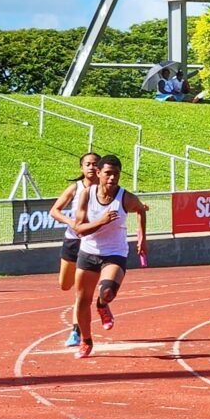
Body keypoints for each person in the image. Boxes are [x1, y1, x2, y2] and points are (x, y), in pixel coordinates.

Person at [69, 155, 149, 359]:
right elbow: (79, 229)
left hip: (115, 252)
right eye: (108, 174)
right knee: (81, 300)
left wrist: (142, 237)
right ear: (98, 173)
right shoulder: (87, 194)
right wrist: (102, 221)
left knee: (107, 292)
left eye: (116, 174)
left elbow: (140, 209)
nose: (112, 178)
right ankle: (86, 341)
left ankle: (103, 305)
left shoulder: (125, 197)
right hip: (89, 252)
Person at [49, 153, 101, 347]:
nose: (91, 167)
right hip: (72, 240)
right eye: (87, 164)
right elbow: (54, 210)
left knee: (81, 291)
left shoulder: (105, 189)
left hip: (93, 243)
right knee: (65, 284)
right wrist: (72, 222)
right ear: (81, 168)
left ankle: (76, 331)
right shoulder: (75, 188)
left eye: (95, 164)